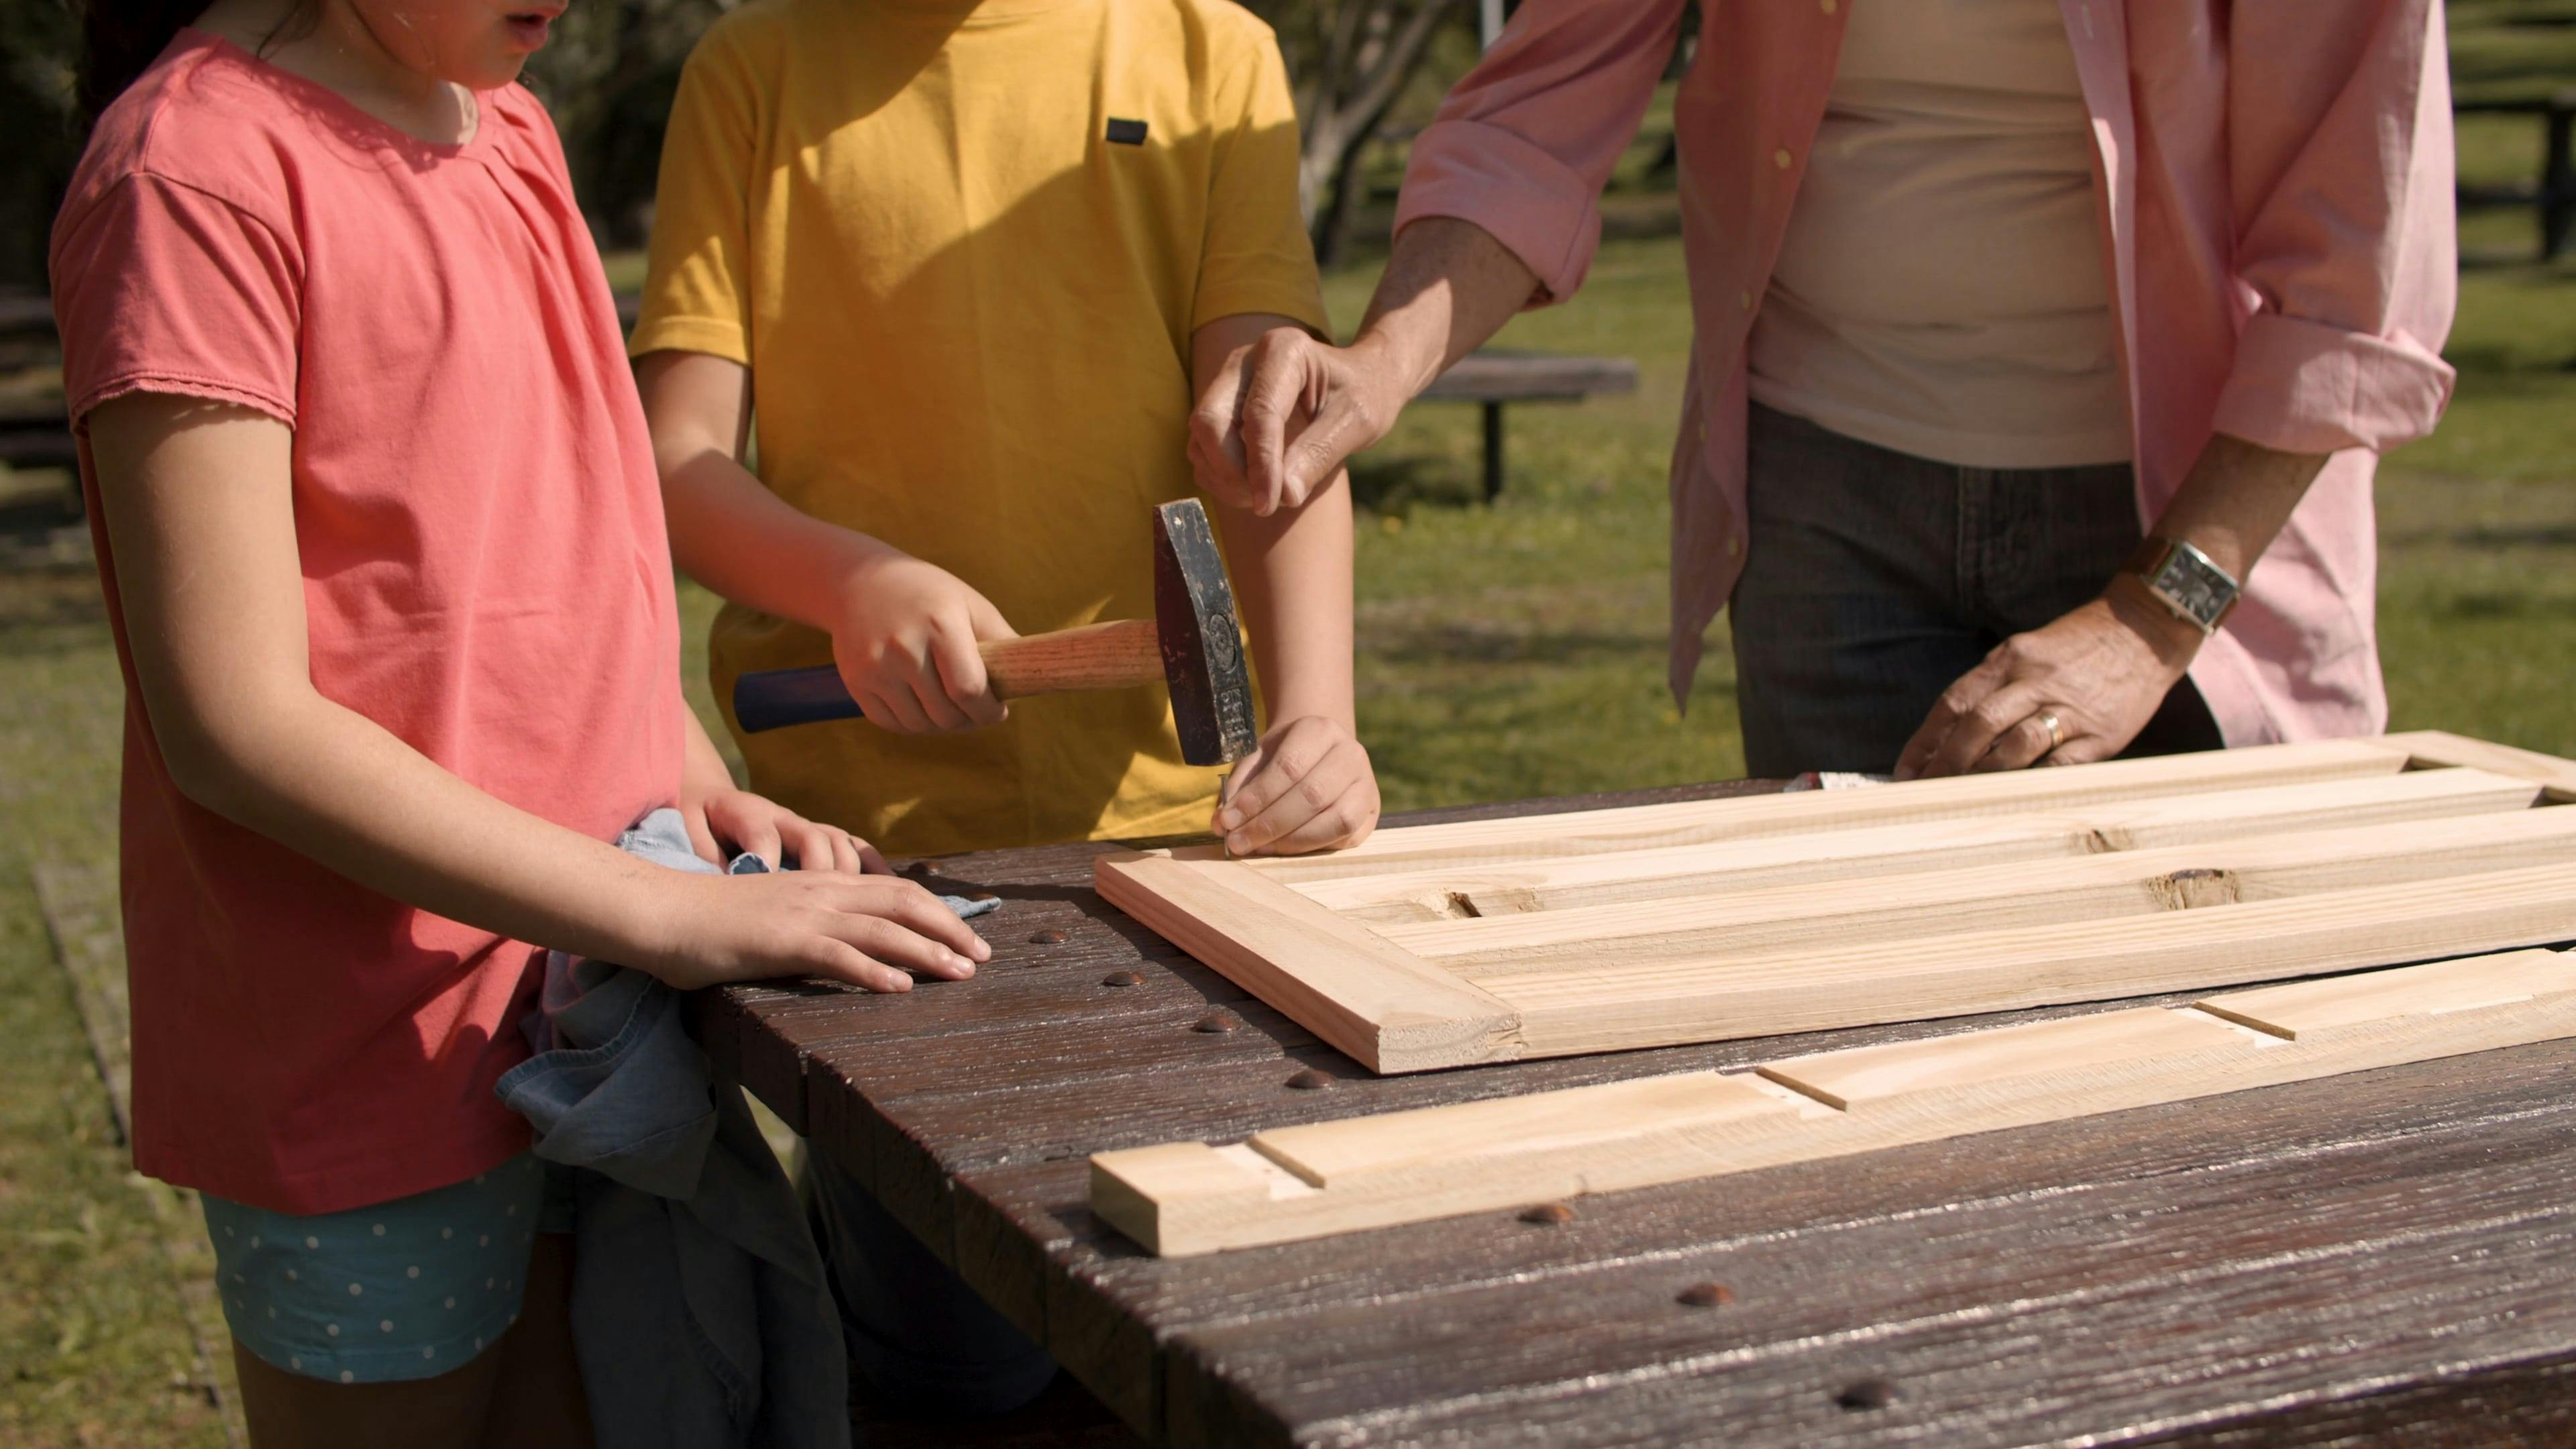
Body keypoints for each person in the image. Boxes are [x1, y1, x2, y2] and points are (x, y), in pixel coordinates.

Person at [54, 3, 990, 1443]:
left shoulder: (509, 124)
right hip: (366, 1048)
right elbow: (231, 719)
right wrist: (669, 918)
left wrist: (681, 773)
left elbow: (578, 535)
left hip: (581, 1004)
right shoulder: (193, 172)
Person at [629, 0, 1377, 1415]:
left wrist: (1320, 718)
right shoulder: (756, 72)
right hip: (872, 877)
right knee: (947, 1369)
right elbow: (673, 460)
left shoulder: (1212, 53)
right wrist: (850, 582)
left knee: (1212, 1358)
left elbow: (1280, 428)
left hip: (1186, 852)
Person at [1192, 0, 2458, 781]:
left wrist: (2151, 620)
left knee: (2215, 1072)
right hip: (1825, 505)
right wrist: (1383, 362)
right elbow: (1543, 110)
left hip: (2190, 521)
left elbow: (2351, 272)